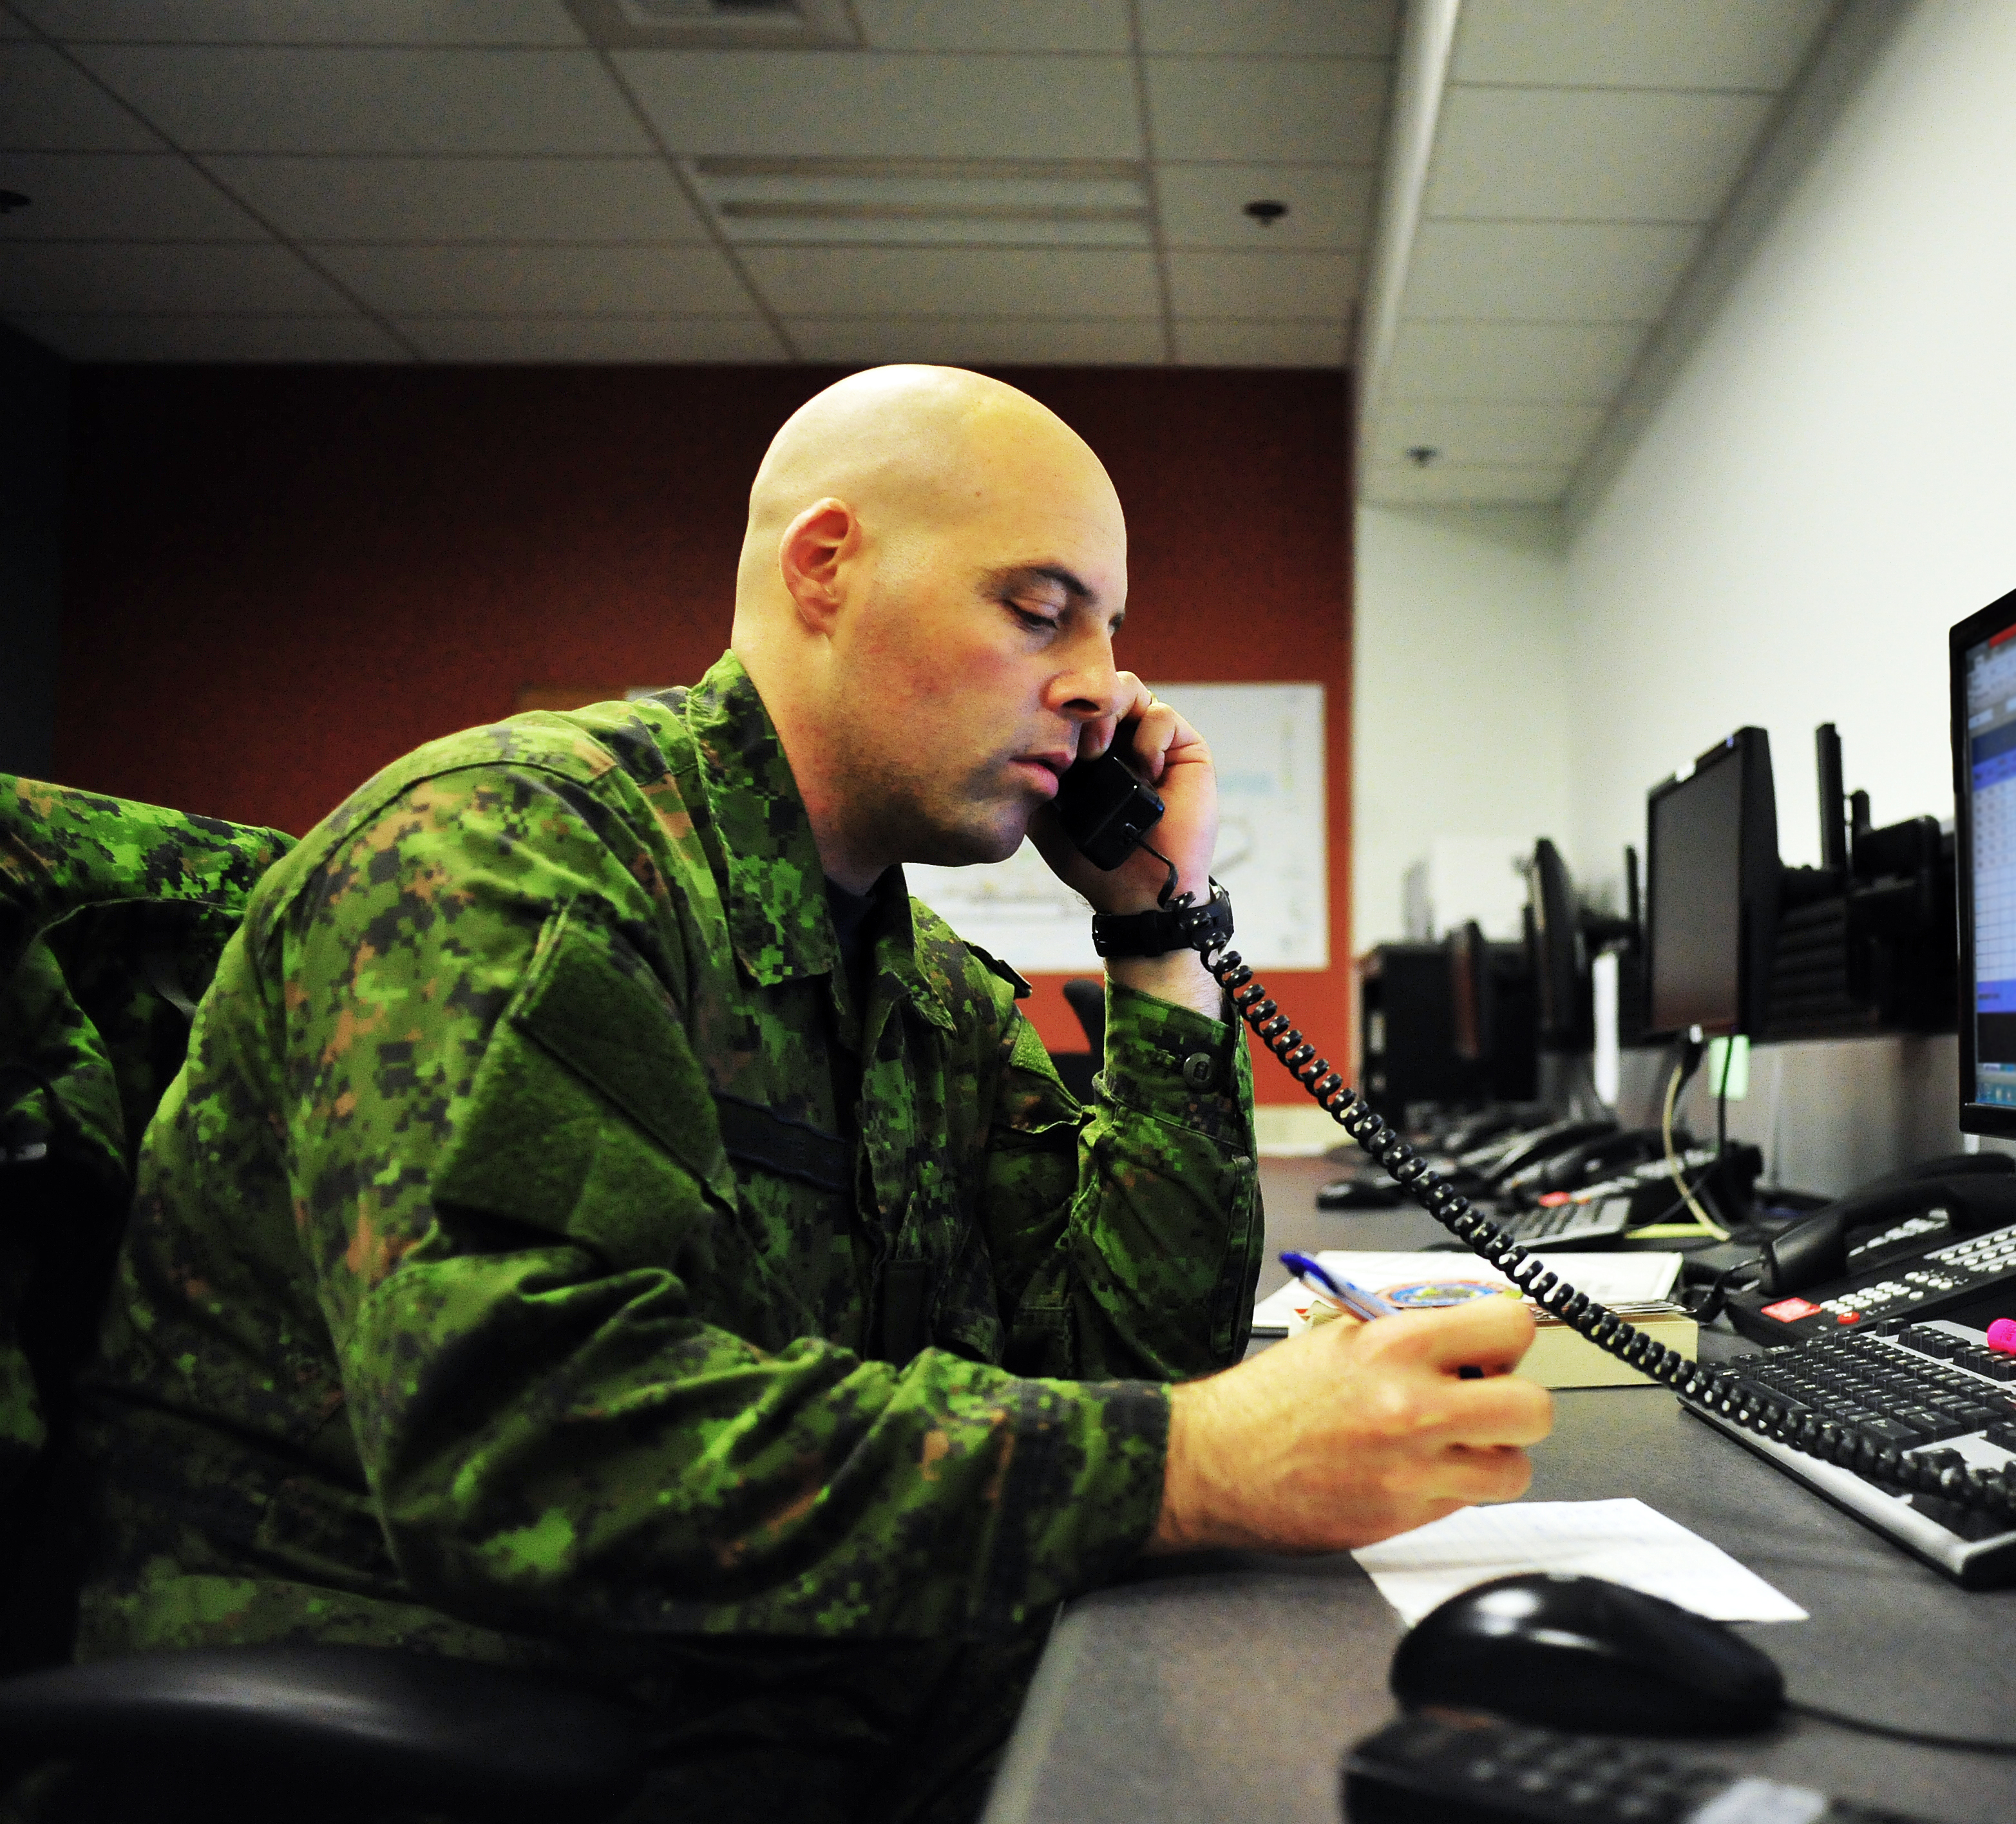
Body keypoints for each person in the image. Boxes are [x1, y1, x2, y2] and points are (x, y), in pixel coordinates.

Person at [70, 367, 1553, 1821]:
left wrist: (1158, 930)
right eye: (1040, 611)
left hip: (788, 1679)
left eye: (1110, 629)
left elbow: (1128, 1353)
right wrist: (1191, 1466)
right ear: (826, 568)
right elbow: (530, 1442)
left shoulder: (913, 979)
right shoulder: (511, 863)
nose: (1103, 683)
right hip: (461, 1722)